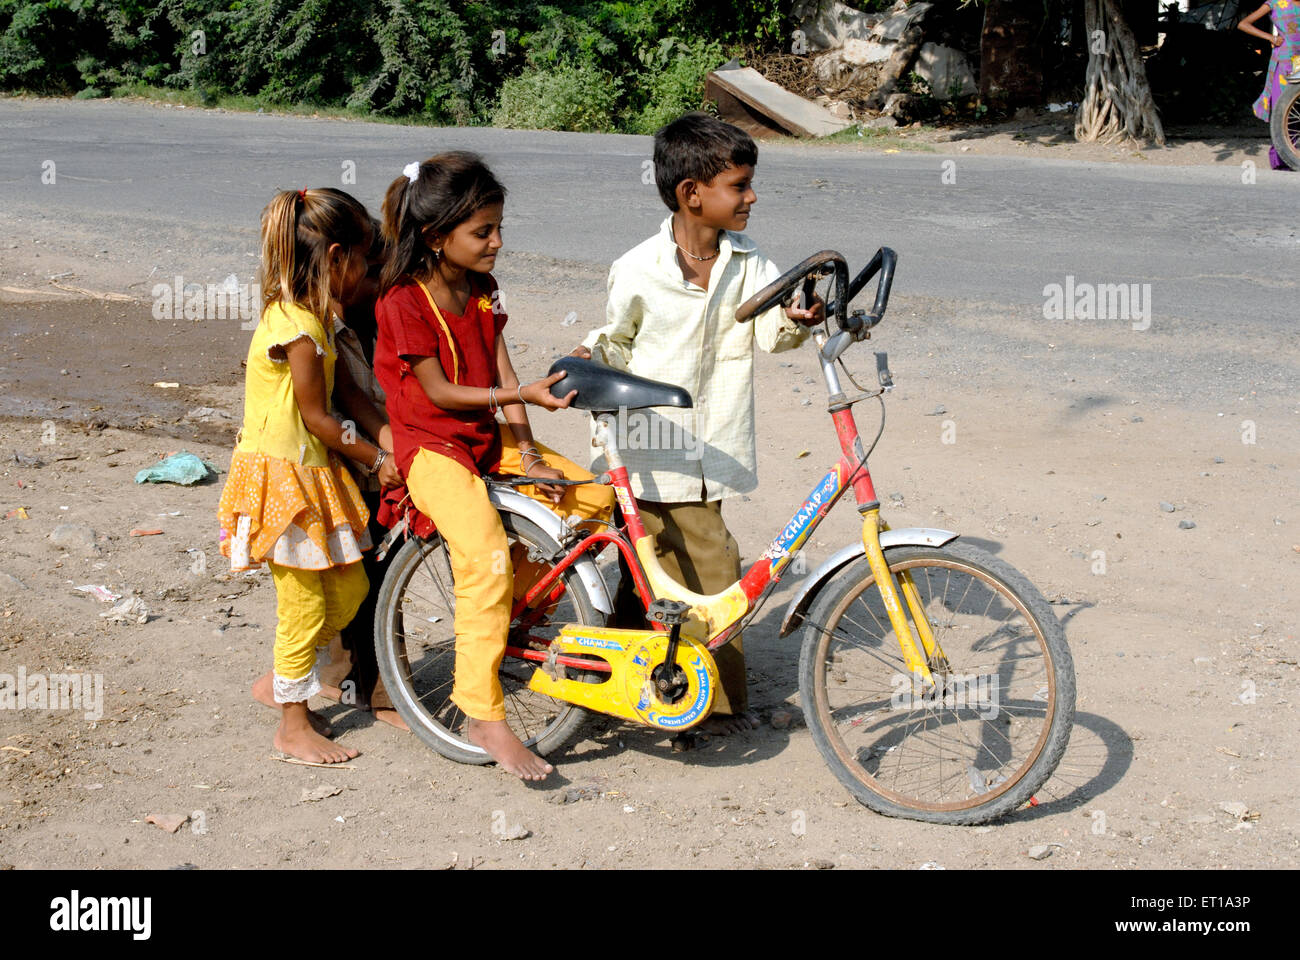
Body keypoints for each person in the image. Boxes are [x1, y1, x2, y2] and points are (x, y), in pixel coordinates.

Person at [572, 113, 822, 736]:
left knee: (650, 573)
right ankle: (714, 707)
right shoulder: (638, 268)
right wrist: (587, 357)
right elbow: (616, 340)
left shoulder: (749, 261)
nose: (752, 197)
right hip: (649, 443)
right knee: (712, 571)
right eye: (739, 185)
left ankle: (620, 685)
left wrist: (799, 317)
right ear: (692, 194)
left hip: (711, 447)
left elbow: (771, 333)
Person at [374, 152, 614, 781]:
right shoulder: (402, 301)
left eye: (499, 227)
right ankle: (483, 712)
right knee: (482, 555)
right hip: (431, 445)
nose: (497, 242)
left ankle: (507, 614)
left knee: (592, 500)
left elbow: (504, 369)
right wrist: (521, 397)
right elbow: (439, 395)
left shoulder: (481, 290)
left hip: (485, 435)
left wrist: (530, 451)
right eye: (482, 231)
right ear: (435, 236)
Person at [219, 188, 402, 764]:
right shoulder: (295, 327)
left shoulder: (321, 319)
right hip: (284, 479)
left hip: (315, 474)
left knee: (347, 587)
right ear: (336, 259)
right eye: (368, 260)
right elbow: (321, 415)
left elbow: (350, 392)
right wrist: (377, 460)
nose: (371, 274)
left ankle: (282, 680)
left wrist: (391, 440)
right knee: (300, 603)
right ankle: (292, 726)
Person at [1239, 0, 1300, 169]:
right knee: (1281, 111)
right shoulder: (1275, 3)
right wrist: (1271, 37)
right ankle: (1280, 161)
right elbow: (1244, 24)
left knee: (1296, 111)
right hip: (1284, 62)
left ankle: (1293, 156)